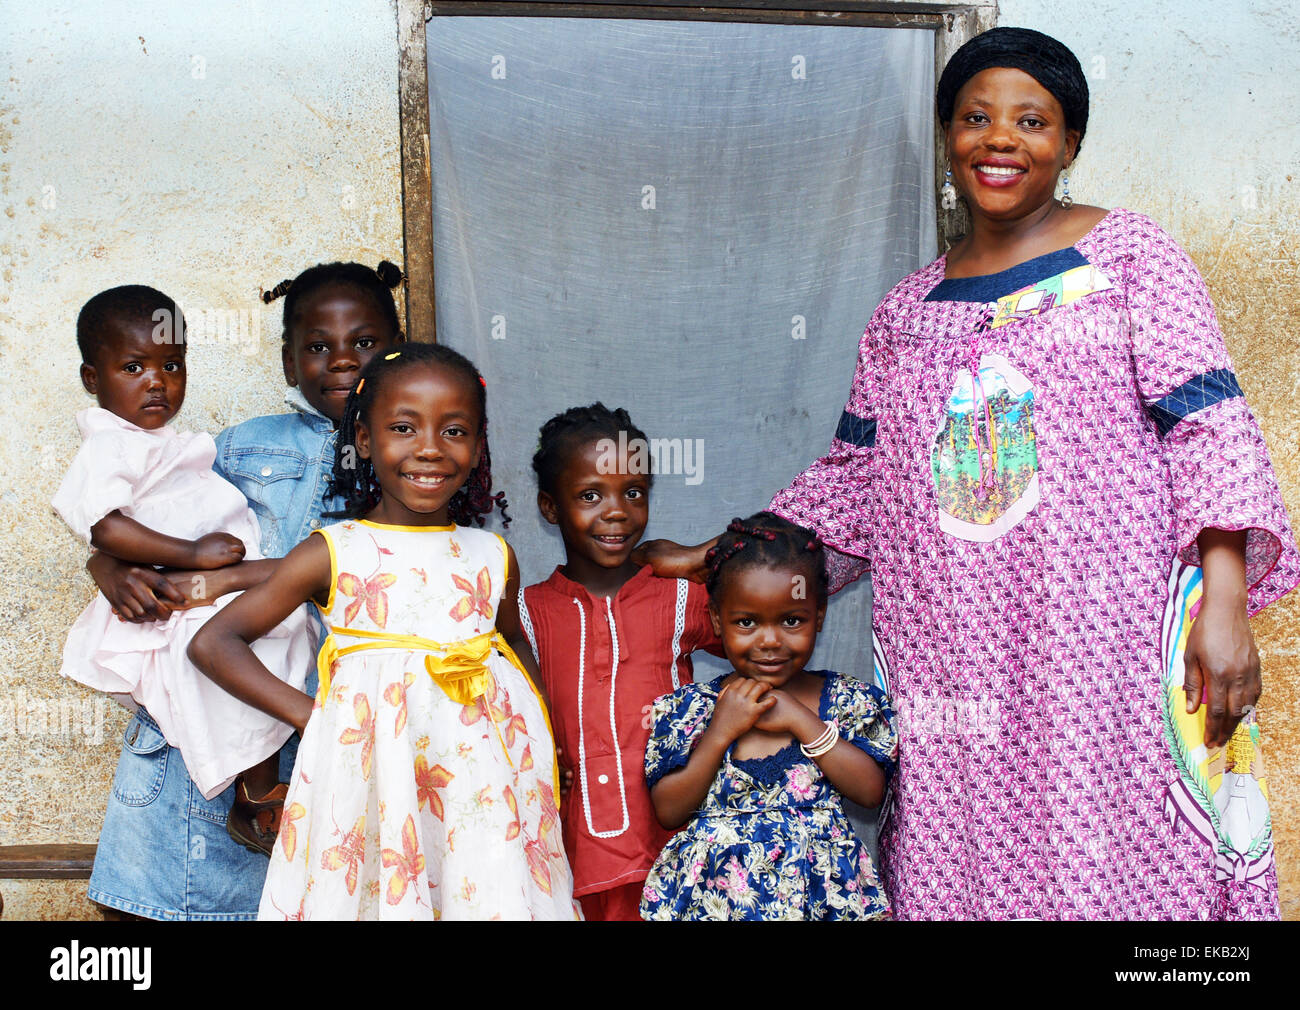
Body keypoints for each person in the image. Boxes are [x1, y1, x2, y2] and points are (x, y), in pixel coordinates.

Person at [640, 27, 1300, 919]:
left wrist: (1224, 605)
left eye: (1032, 120)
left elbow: (1209, 428)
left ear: (1070, 144)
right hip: (950, 651)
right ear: (947, 134)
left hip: (1109, 640)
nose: (1001, 138)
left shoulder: (1132, 260)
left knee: (1119, 845)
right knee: (965, 849)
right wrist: (730, 550)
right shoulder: (906, 312)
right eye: (975, 116)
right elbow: (855, 477)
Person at [190, 343, 580, 919]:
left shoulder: (492, 555)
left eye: (455, 431)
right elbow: (214, 642)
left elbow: (512, 642)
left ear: (478, 447)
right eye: (404, 427)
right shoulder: (335, 552)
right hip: (375, 776)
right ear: (366, 441)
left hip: (483, 781)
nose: (429, 449)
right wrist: (312, 716)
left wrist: (545, 724)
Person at [81, 262, 404, 918]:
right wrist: (106, 568)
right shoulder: (239, 446)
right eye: (317, 347)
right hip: (211, 711)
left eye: (364, 343)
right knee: (163, 902)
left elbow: (372, 567)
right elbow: (143, 521)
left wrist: (226, 578)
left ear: (395, 351)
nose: (342, 362)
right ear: (289, 364)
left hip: (333, 717)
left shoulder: (414, 455)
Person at [54, 285, 315, 913]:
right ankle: (254, 796)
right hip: (180, 607)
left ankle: (255, 791)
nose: (157, 382)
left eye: (172, 366)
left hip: (222, 598)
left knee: (285, 639)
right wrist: (189, 555)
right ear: (93, 378)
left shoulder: (176, 442)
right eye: (134, 367)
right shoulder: (111, 443)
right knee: (225, 678)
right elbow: (98, 522)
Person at [638, 513, 894, 920]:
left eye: (791, 621)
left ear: (820, 615)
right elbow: (668, 811)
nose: (770, 640)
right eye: (747, 622)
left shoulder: (846, 700)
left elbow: (870, 791)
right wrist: (721, 731)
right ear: (718, 620)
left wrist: (801, 720)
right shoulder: (691, 709)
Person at [519, 403, 721, 920]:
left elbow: (782, 574)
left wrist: (704, 557)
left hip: (676, 849)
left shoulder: (680, 597)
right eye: (590, 495)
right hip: (572, 851)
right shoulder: (524, 612)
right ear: (549, 506)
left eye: (633, 492)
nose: (616, 511)